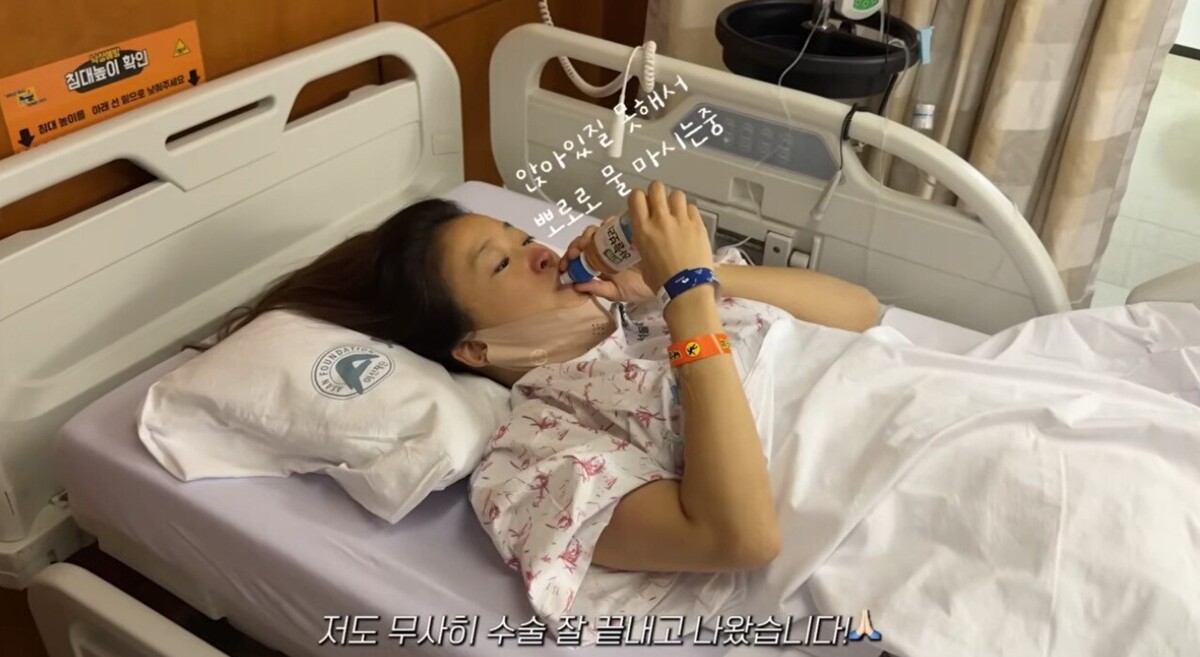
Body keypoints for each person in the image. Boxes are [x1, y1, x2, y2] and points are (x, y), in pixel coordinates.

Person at [219, 180, 880, 576]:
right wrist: (687, 297)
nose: (539, 251)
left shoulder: (654, 304)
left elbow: (860, 311)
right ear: (473, 348)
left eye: (519, 236)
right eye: (500, 264)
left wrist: (689, 278)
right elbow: (738, 539)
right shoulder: (533, 452)